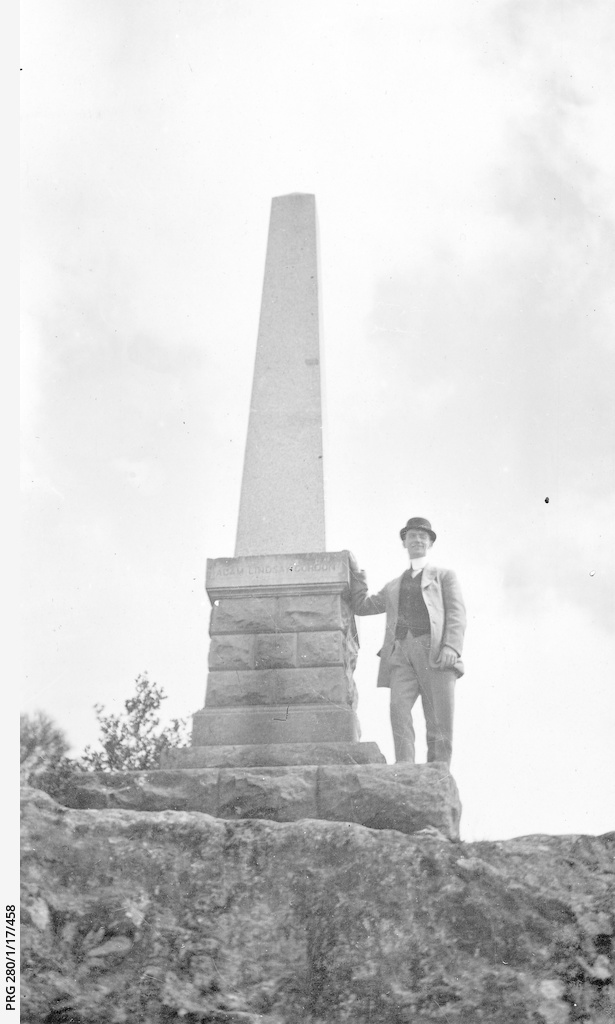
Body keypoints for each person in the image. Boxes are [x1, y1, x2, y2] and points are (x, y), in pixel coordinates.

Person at [347, 517, 466, 766]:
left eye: (423, 536)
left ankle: (438, 770)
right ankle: (405, 768)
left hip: (435, 652)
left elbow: (457, 614)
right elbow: (363, 606)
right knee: (398, 709)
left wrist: (451, 646)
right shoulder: (394, 585)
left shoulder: (444, 576)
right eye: (412, 536)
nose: (417, 540)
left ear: (430, 543)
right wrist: (357, 574)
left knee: (438, 719)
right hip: (401, 652)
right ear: (404, 542)